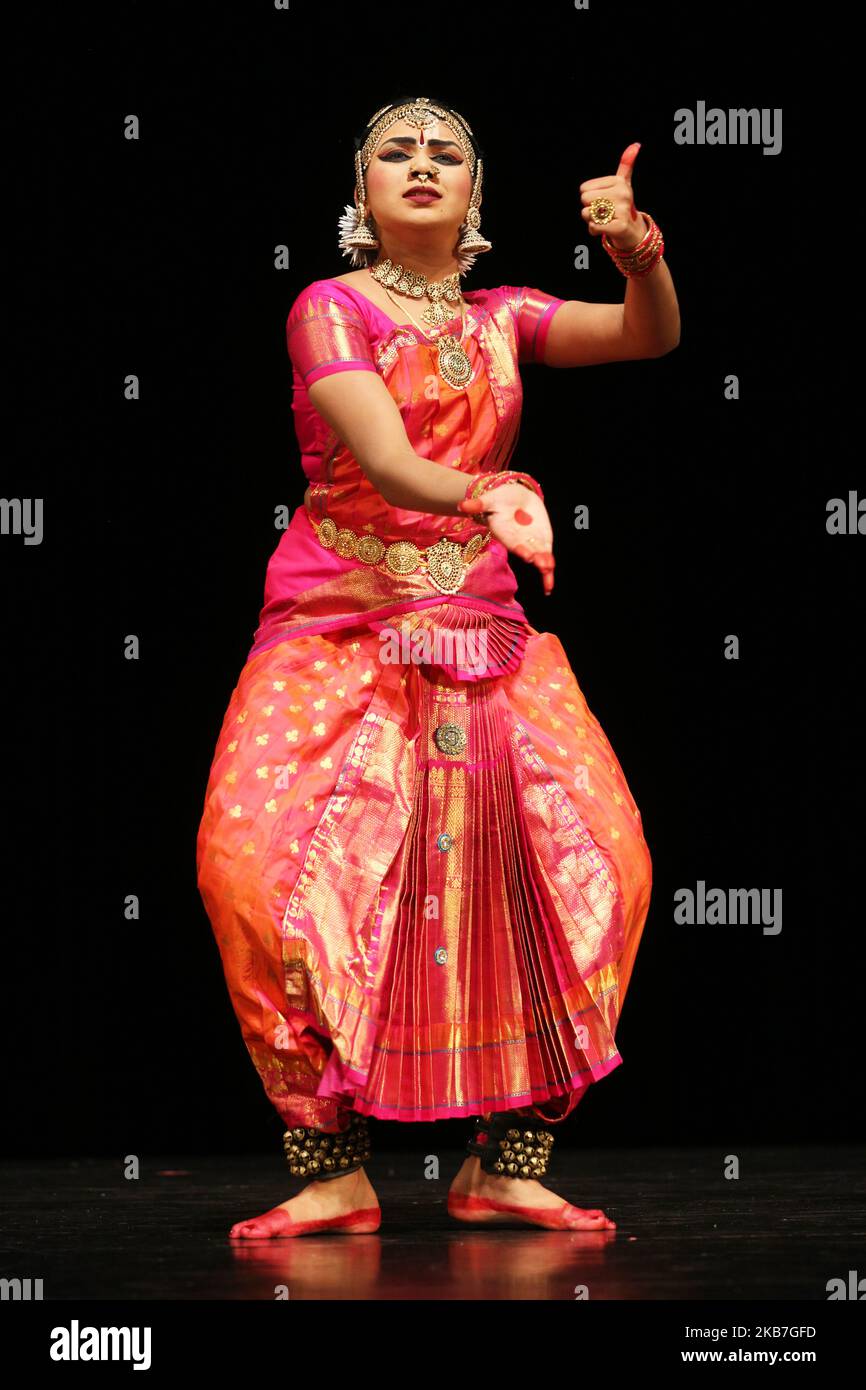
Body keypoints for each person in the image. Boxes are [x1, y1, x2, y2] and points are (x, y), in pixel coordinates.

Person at [196, 95, 679, 1239]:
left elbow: (645, 336)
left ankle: (505, 1162)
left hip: (483, 631)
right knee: (257, 873)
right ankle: (330, 1165)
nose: (421, 165)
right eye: (394, 154)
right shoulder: (327, 309)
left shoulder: (504, 316)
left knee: (594, 864)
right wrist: (489, 493)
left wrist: (637, 255)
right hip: (336, 619)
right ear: (359, 194)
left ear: (474, 196)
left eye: (445, 154)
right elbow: (383, 455)